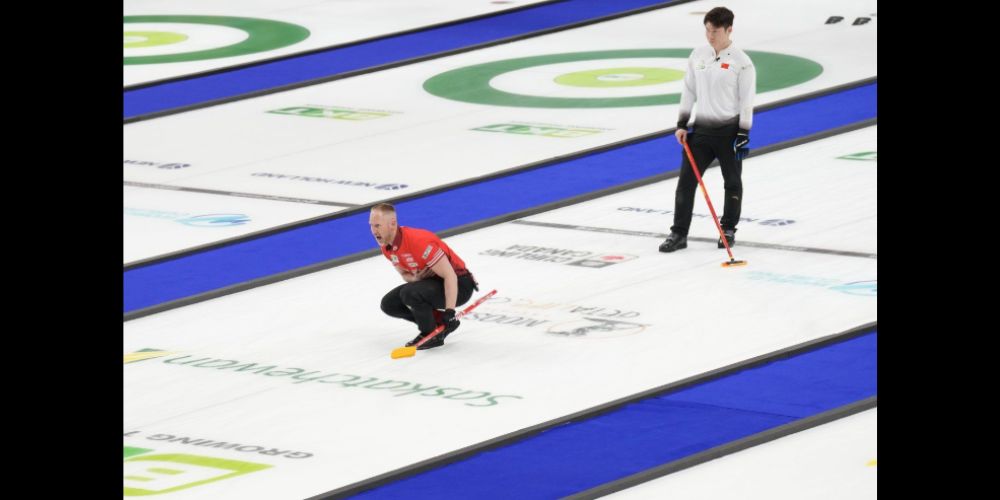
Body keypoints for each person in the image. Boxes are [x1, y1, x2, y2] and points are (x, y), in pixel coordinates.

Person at [659, 6, 756, 253]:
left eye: (715, 31)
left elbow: (747, 102)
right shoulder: (698, 55)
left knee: (732, 182)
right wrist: (682, 123)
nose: (710, 36)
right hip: (700, 133)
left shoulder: (742, 63)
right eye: (707, 30)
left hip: (729, 133)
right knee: (685, 184)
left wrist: (743, 134)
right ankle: (678, 233)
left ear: (729, 29)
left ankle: (728, 229)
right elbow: (689, 90)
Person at [371, 203, 478, 349]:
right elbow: (404, 274)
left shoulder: (419, 241)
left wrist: (450, 311)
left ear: (392, 224)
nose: (373, 231)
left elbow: (450, 276)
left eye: (378, 225)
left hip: (459, 285)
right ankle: (437, 323)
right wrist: (415, 279)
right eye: (371, 225)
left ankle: (430, 333)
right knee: (389, 304)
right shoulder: (387, 247)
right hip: (433, 283)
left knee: (410, 293)